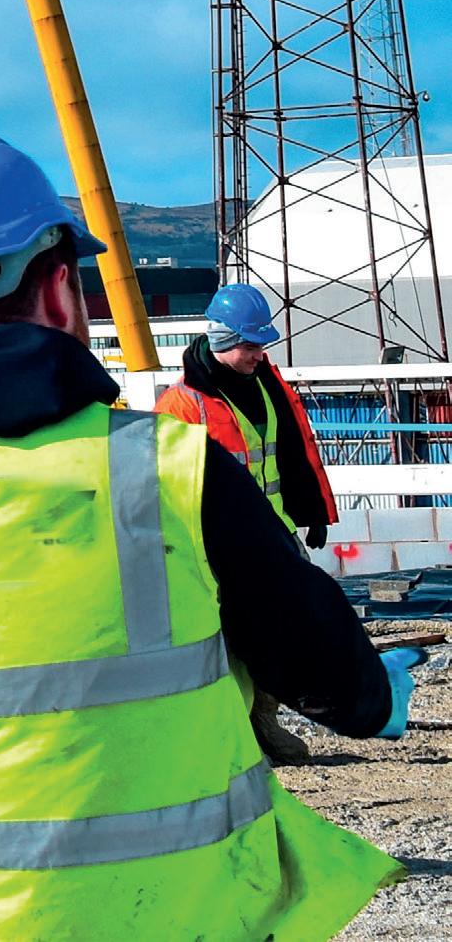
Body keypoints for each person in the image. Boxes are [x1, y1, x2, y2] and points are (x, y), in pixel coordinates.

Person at [0, 132, 412, 940]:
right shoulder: (173, 471)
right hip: (184, 918)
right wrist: (377, 695)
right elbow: (323, 666)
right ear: (57, 291)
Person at [157, 280, 342, 766]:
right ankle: (236, 736)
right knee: (231, 642)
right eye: (250, 344)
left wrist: (313, 512)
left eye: (262, 344)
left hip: (275, 535)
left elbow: (297, 451)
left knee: (284, 633)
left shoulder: (269, 386)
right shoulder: (182, 405)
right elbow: (163, 483)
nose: (259, 353)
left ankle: (264, 722)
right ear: (221, 341)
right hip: (221, 547)